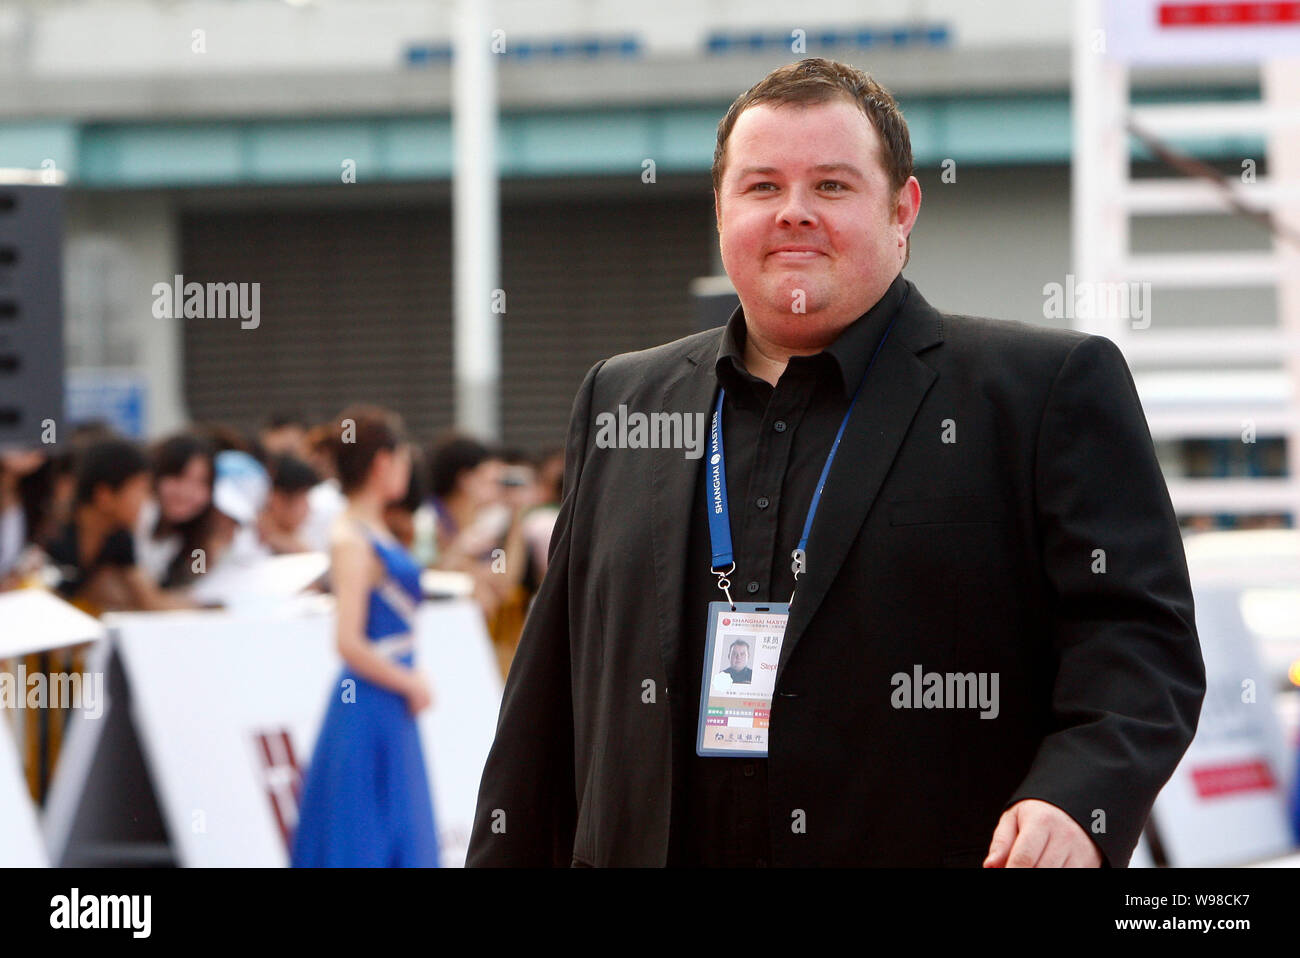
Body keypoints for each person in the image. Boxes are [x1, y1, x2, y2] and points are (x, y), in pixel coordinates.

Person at [467, 58, 1205, 869]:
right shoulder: (624, 400)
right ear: (720, 211)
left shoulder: (1037, 392)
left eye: (831, 186)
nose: (794, 214)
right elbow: (544, 703)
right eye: (761, 188)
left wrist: (1075, 801)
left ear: (902, 210)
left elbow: (1140, 646)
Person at [291, 405, 440, 868]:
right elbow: (348, 642)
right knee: (366, 836)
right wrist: (410, 682)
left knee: (397, 828)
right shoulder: (350, 539)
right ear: (382, 462)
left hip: (387, 704)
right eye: (401, 459)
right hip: (371, 704)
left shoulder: (376, 530)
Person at [43, 438, 197, 614]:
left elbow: (148, 600)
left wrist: (204, 606)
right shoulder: (51, 533)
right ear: (105, 495)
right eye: (141, 490)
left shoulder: (119, 538)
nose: (146, 501)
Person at [135, 433, 215, 588]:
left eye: (201, 482)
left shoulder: (199, 537)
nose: (187, 492)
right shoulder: (137, 519)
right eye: (178, 477)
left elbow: (197, 584)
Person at [259, 454, 319, 555]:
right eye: (303, 498)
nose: (308, 508)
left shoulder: (293, 538)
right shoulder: (251, 545)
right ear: (277, 500)